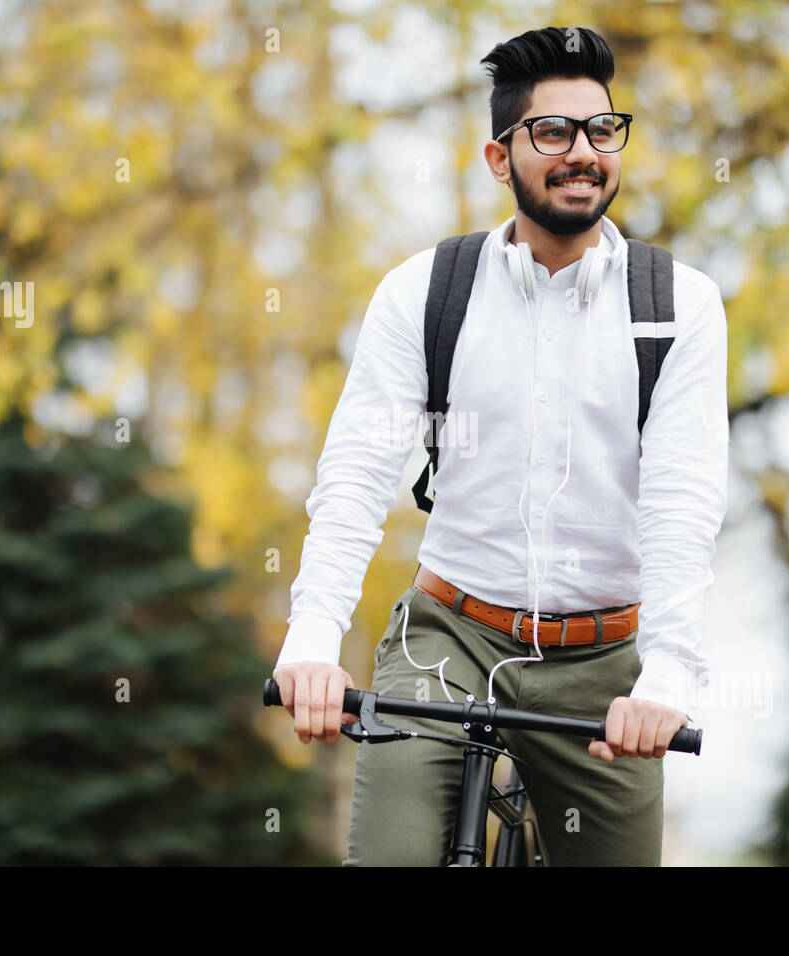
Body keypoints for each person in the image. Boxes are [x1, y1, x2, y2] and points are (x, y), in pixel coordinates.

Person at [271, 25, 729, 865]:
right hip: (449, 636)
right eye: (552, 132)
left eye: (601, 129)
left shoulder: (678, 306)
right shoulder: (425, 292)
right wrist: (311, 637)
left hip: (604, 660)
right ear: (498, 157)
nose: (582, 152)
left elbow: (682, 502)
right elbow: (357, 475)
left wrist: (666, 676)